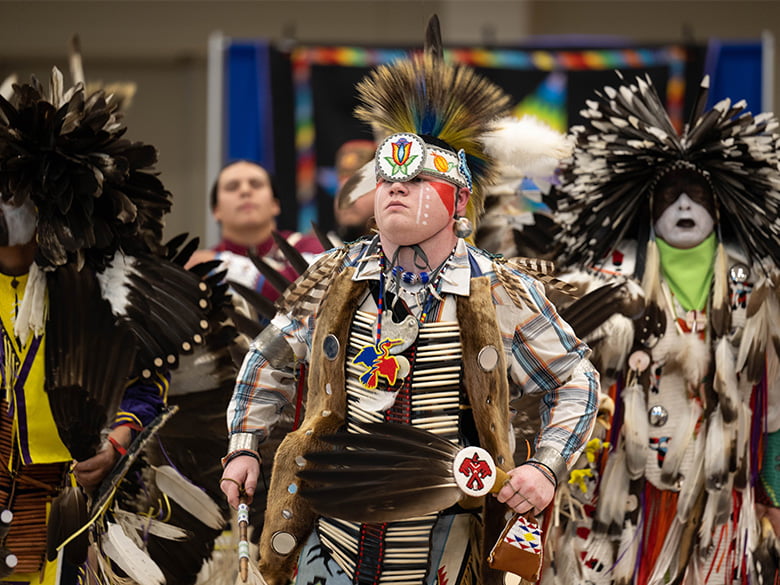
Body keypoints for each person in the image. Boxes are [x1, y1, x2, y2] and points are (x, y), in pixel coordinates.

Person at [220, 18, 599, 585]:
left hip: (441, 537)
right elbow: (269, 358)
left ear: (460, 199)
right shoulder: (334, 275)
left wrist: (545, 466)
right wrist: (244, 445)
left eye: (419, 180)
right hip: (334, 532)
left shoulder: (496, 289)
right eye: (388, 178)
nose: (396, 187)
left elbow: (574, 379)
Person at [541, 74, 780, 585]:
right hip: (620, 495)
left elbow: (774, 412)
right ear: (649, 210)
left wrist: (774, 493)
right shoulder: (604, 283)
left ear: (721, 207)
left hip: (720, 502)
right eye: (671, 193)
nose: (685, 205)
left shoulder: (757, 292)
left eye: (698, 193)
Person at [0, 68, 228, 584]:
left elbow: (144, 381)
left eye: (18, 197)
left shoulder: (87, 289)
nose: (7, 209)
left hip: (64, 498)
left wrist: (117, 442)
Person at [187, 160, 323, 301]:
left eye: (256, 184)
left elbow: (306, 292)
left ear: (275, 204)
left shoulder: (308, 246)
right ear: (216, 210)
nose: (245, 191)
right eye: (232, 187)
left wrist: (221, 263)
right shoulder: (199, 268)